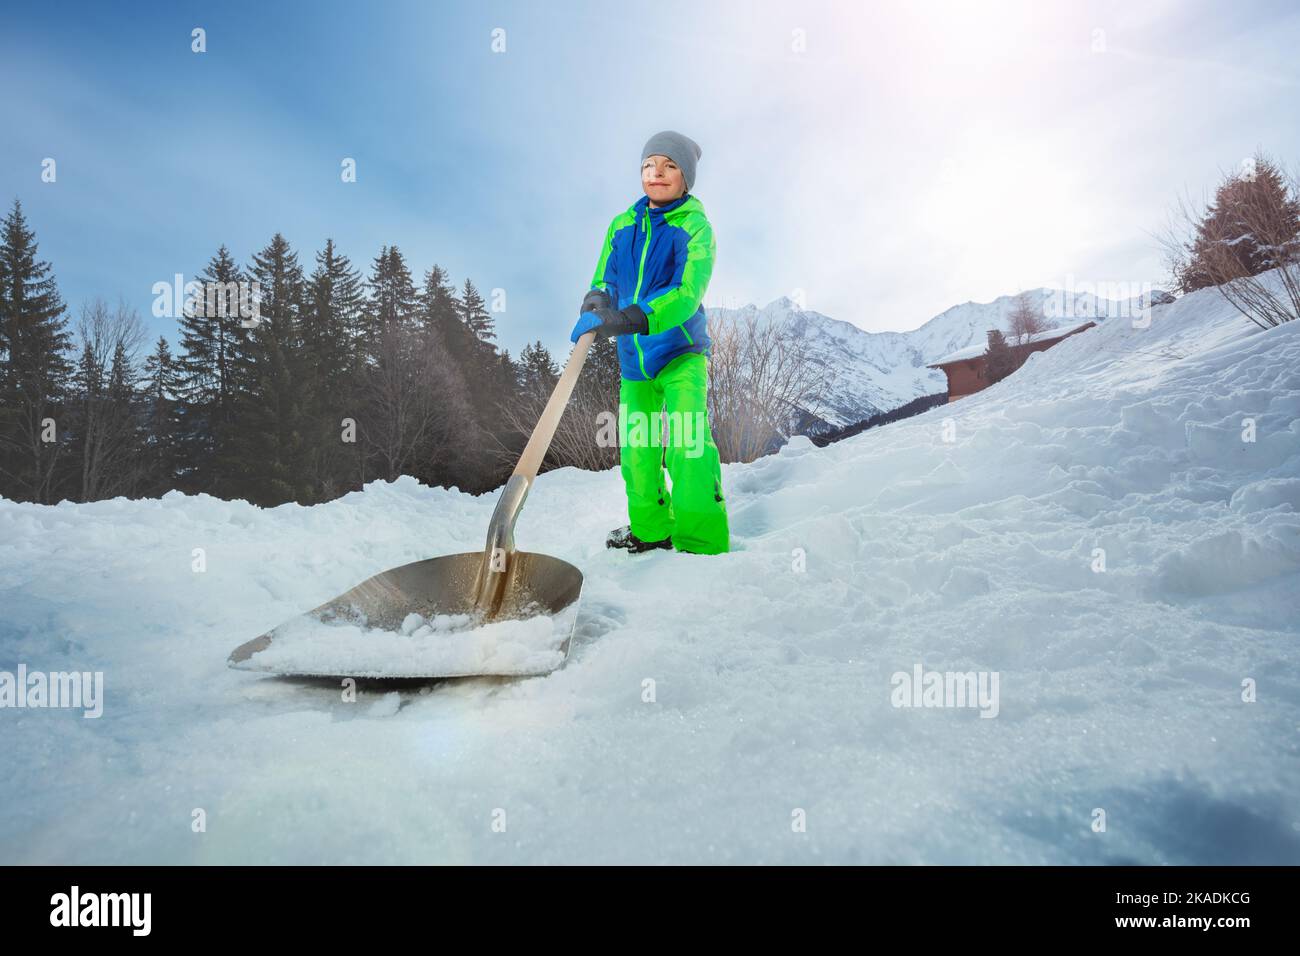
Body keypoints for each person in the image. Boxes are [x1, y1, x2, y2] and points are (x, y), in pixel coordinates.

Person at [570, 130, 730, 555]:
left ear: (686, 178)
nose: (656, 173)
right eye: (648, 165)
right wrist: (596, 302)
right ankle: (651, 531)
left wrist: (631, 318)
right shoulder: (622, 225)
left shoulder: (695, 228)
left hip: (680, 354)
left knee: (687, 444)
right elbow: (605, 276)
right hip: (634, 363)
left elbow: (686, 293)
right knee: (637, 451)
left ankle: (701, 541)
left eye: (669, 165)